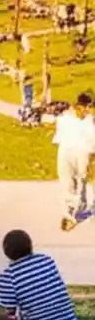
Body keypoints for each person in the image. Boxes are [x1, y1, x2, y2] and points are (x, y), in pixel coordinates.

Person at [0, 230, 84, 320]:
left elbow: (9, 311)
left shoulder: (6, 277)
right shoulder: (46, 261)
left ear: (5, 251)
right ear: (30, 245)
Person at [52, 92, 95, 231]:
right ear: (79, 106)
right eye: (85, 107)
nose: (87, 110)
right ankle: (68, 211)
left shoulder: (90, 121)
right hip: (66, 150)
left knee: (81, 180)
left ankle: (78, 209)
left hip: (83, 152)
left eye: (89, 107)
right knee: (66, 180)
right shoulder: (66, 117)